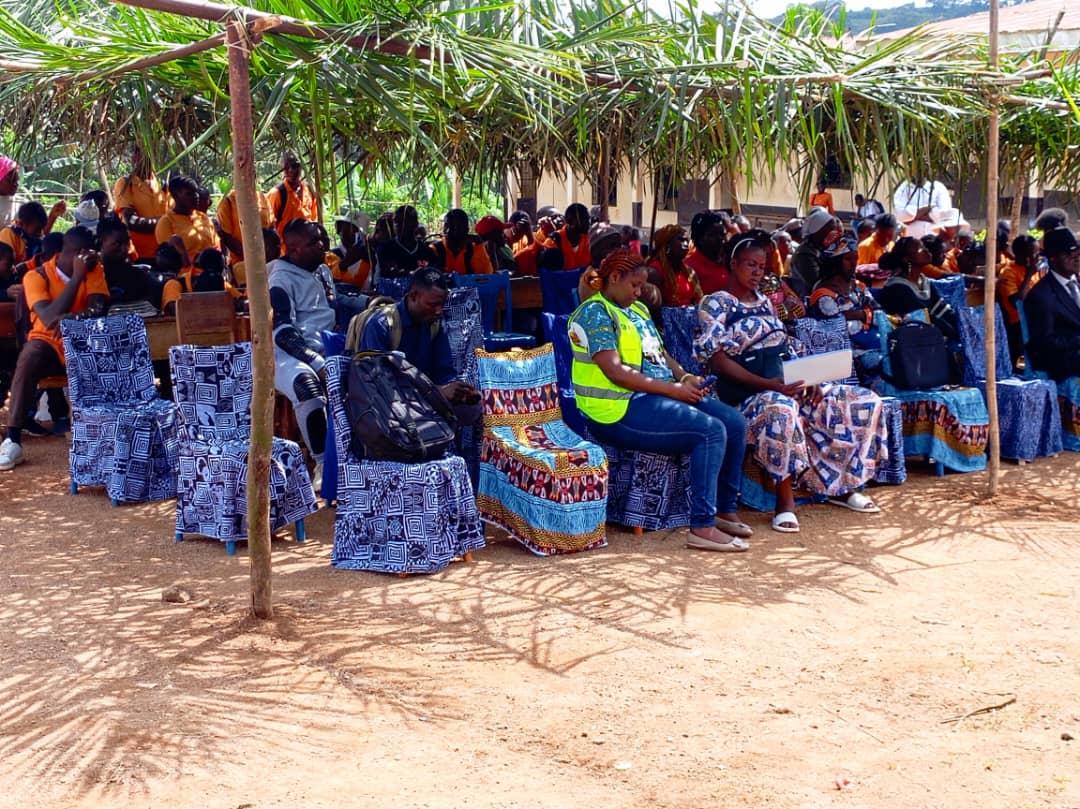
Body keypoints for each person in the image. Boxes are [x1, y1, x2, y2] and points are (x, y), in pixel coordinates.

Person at [694, 230, 886, 534]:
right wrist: (770, 385)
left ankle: (846, 487)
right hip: (744, 391)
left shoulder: (765, 302)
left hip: (782, 380)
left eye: (762, 266)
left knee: (860, 401)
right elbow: (716, 360)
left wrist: (805, 377)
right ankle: (785, 502)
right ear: (733, 263)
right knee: (781, 410)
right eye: (750, 265)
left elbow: (781, 346)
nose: (758, 273)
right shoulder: (716, 304)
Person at [567, 248, 750, 552]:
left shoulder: (635, 310)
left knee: (733, 422)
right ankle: (702, 526)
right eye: (634, 286)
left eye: (641, 286)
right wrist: (673, 392)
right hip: (616, 408)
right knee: (710, 431)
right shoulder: (593, 314)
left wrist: (684, 378)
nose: (639, 293)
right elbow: (616, 372)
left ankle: (723, 510)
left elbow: (659, 355)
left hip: (653, 394)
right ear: (614, 277)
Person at [0, 227, 109, 471]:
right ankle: (13, 438)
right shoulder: (35, 276)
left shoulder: (95, 270)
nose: (94, 258)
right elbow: (49, 317)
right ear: (79, 253)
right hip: (48, 343)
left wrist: (71, 318)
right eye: (89, 253)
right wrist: (78, 278)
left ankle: (104, 434)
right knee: (29, 355)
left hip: (84, 342)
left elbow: (98, 310)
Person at [359, 267, 483, 437]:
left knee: (471, 408)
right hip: (388, 402)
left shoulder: (435, 324)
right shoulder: (381, 325)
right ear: (413, 296)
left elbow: (444, 372)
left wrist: (457, 391)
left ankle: (442, 444)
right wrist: (437, 392)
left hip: (424, 398)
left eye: (442, 304)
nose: (439, 311)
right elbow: (378, 384)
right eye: (433, 305)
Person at [269, 219, 336, 489]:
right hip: (288, 355)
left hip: (325, 345)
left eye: (321, 239)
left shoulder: (321, 270)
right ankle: (321, 463)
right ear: (294, 249)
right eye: (314, 243)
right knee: (305, 384)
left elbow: (331, 306)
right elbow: (283, 333)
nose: (322, 245)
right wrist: (318, 362)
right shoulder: (280, 279)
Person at [809, 240, 881, 378]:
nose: (854, 263)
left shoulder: (858, 286)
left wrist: (860, 315)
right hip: (842, 351)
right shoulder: (823, 293)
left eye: (855, 259)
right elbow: (835, 324)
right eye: (848, 259)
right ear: (835, 261)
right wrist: (865, 315)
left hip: (869, 340)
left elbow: (877, 308)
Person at [1021, 227, 1080, 382]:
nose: (1076, 258)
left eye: (1078, 253)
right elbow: (1044, 342)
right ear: (1052, 258)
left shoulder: (1077, 282)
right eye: (1069, 254)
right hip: (1061, 359)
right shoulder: (1041, 295)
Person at [876, 236, 959, 342]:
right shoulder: (897, 288)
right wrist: (956, 334)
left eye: (925, 247)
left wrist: (963, 325)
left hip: (934, 336)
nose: (927, 250)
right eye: (921, 249)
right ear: (907, 259)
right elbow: (925, 317)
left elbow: (942, 310)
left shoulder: (924, 282)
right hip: (914, 344)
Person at [112, 146, 170, 262]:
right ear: (134, 158)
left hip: (163, 254)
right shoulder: (125, 184)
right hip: (138, 254)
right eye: (141, 155)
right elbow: (131, 221)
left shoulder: (160, 184)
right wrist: (164, 223)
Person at [997, 234, 1041, 365]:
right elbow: (1017, 303)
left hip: (1036, 317)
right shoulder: (1008, 272)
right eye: (1034, 253)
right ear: (1023, 255)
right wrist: (1028, 275)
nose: (1038, 257)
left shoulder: (1032, 268)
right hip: (1019, 322)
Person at [155, 176, 220, 261]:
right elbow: (168, 260)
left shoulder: (203, 218)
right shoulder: (166, 221)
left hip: (210, 271)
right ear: (175, 196)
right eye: (189, 193)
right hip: (184, 273)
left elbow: (216, 247)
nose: (196, 196)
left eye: (196, 192)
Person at [97, 218, 153, 305]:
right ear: (101, 243)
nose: (124, 249)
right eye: (117, 244)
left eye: (127, 243)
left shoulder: (138, 277)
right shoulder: (91, 276)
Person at [216, 188, 275, 267]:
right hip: (241, 264)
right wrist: (252, 257)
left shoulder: (262, 198)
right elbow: (226, 236)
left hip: (267, 262)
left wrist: (268, 254)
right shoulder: (228, 202)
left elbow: (272, 226)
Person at [266, 153, 320, 237]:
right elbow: (268, 226)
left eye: (294, 166)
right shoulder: (277, 193)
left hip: (306, 247)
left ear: (301, 167)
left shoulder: (309, 191)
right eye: (287, 167)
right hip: (285, 249)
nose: (291, 170)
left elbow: (313, 220)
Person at [375, 204, 435, 279]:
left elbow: (434, 274)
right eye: (395, 222)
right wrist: (409, 273)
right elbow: (385, 273)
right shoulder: (385, 249)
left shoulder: (425, 250)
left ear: (415, 224)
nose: (398, 225)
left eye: (404, 222)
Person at [647, 224, 701, 307]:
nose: (686, 244)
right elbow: (654, 309)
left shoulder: (690, 272)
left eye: (687, 240)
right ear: (667, 245)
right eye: (681, 240)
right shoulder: (654, 272)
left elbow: (697, 301)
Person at [788, 206, 836, 297]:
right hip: (807, 301)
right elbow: (817, 284)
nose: (833, 233)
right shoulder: (804, 254)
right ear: (817, 230)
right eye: (830, 229)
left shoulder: (821, 249)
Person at [430, 209, 494, 275]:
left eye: (454, 226)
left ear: (466, 230)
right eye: (446, 225)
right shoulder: (436, 249)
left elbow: (487, 274)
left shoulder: (472, 249)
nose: (448, 231)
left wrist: (479, 245)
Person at [685, 210, 729, 294]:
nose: (720, 238)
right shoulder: (689, 267)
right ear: (699, 239)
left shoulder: (732, 262)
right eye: (713, 235)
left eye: (723, 234)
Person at [540, 202, 591, 271]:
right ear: (569, 221)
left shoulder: (590, 240)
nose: (588, 223)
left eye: (588, 219)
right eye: (583, 219)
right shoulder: (553, 242)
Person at [0, 155, 19, 227]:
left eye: (17, 180)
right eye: (11, 180)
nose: (16, 184)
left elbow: (39, 236)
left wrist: (52, 217)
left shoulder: (23, 204)